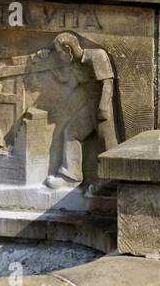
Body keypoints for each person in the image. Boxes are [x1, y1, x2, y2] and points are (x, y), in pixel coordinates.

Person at [43, 33, 118, 190]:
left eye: (60, 52)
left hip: (102, 104)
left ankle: (112, 181)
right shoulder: (76, 64)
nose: (60, 56)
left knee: (107, 142)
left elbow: (107, 83)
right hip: (90, 105)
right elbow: (69, 82)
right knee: (71, 132)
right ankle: (71, 176)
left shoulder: (96, 56)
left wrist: (103, 107)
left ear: (68, 49)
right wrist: (50, 69)